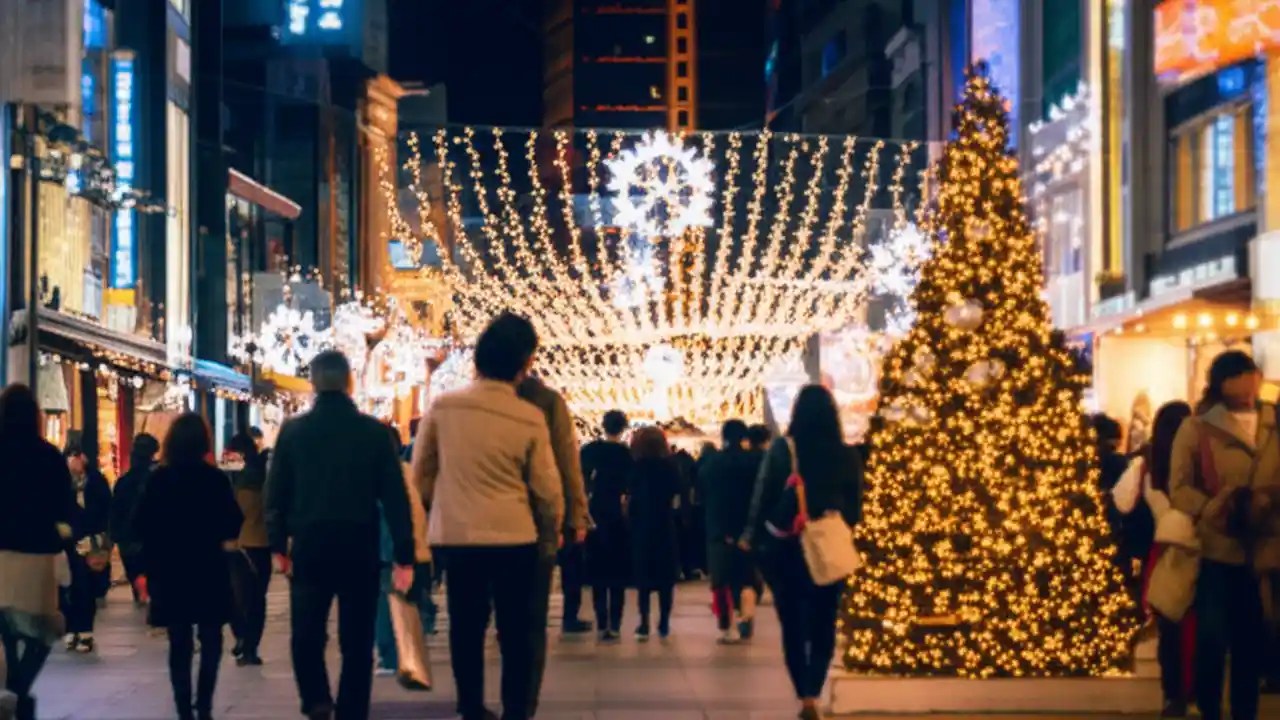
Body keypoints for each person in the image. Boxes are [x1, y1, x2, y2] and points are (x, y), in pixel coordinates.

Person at [411, 312, 563, 720]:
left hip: (457, 538)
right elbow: (547, 489)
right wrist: (553, 528)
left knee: (465, 626)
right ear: (522, 364)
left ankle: (470, 705)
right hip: (515, 538)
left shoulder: (443, 408)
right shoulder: (529, 416)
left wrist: (423, 522)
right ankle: (515, 709)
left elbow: (420, 475)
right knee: (515, 632)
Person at [266, 351, 416, 720]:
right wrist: (404, 553)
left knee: (306, 633)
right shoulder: (373, 433)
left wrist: (277, 543)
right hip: (358, 545)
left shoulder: (294, 432)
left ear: (314, 382)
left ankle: (316, 699)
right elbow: (395, 497)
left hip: (310, 545)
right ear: (350, 382)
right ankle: (352, 709)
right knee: (357, 639)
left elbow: (276, 493)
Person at [1169, 351, 1280, 720]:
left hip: (1265, 547)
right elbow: (1180, 486)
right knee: (1213, 638)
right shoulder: (1198, 426)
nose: (1249, 382)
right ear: (1222, 382)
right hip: (1216, 547)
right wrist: (1213, 508)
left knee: (1253, 638)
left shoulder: (1273, 421)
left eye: (1252, 374)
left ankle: (1245, 711)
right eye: (1239, 376)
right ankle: (1211, 707)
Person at [741, 385, 862, 720]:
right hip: (830, 547)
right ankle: (814, 689)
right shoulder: (847, 455)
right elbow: (856, 510)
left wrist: (751, 536)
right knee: (825, 620)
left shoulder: (783, 450)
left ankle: (803, 696)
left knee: (792, 623)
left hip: (787, 549)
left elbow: (762, 497)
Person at [134, 413, 243, 720]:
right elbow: (233, 523)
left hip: (171, 571)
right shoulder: (215, 479)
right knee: (211, 638)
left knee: (178, 641)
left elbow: (140, 524)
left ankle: (184, 708)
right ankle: (204, 704)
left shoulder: (159, 479)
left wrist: (147, 565)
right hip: (208, 568)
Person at [0, 385, 75, 720]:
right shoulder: (47, 456)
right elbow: (64, 505)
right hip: (37, 556)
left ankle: (14, 688)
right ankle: (19, 687)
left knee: (4, 629)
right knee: (43, 632)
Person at [516, 373, 589, 716]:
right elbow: (562, 462)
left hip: (468, 530)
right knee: (530, 621)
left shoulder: (457, 404)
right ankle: (522, 707)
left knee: (471, 620)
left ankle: (470, 703)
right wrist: (572, 514)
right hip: (532, 525)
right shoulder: (546, 405)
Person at [1115, 401, 1195, 718]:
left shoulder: (1145, 465)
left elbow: (1122, 503)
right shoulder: (1198, 462)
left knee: (1170, 629)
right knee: (1197, 626)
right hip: (1200, 550)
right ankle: (1195, 691)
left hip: (1162, 553)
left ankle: (1173, 695)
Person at [376, 426, 433, 692]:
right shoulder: (411, 472)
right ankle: (411, 655)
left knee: (389, 606)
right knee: (410, 603)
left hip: (395, 552)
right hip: (420, 548)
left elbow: (389, 521)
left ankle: (392, 657)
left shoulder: (382, 478)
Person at [700, 419, 760, 643]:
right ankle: (747, 612)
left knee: (721, 580)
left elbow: (703, 489)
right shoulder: (754, 462)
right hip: (747, 526)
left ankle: (728, 627)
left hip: (718, 526)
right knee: (746, 576)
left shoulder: (712, 463)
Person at [579, 410, 633, 642]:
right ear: (623, 428)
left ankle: (601, 622)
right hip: (618, 517)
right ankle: (615, 624)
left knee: (598, 572)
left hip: (595, 516)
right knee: (617, 574)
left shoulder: (589, 451)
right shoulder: (626, 455)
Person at [627, 426, 681, 640]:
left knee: (644, 578)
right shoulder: (670, 466)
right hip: (665, 524)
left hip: (642, 526)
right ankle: (664, 622)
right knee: (665, 579)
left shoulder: (637, 467)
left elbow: (631, 495)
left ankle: (644, 622)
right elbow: (677, 492)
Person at [224, 431, 271, 667]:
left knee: (236, 598)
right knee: (255, 600)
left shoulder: (237, 480)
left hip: (238, 545)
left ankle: (244, 639)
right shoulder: (263, 475)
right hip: (261, 544)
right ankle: (249, 646)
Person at [62, 441, 111, 653]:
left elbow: (107, 510)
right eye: (71, 455)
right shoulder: (62, 483)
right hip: (67, 542)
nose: (75, 460)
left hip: (91, 542)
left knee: (86, 586)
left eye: (78, 455)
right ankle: (72, 629)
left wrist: (103, 538)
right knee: (67, 586)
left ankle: (85, 631)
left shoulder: (97, 481)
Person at [111, 433, 159, 607]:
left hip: (128, 538)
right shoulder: (156, 479)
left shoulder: (124, 482)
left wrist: (116, 535)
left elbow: (116, 510)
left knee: (137, 576)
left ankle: (142, 598)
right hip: (150, 538)